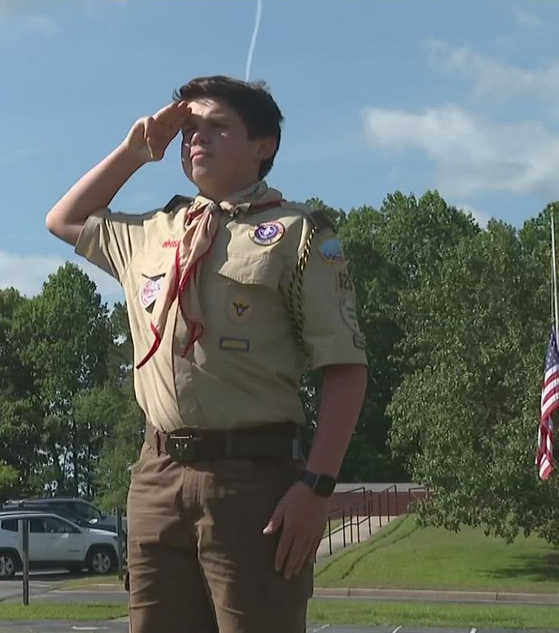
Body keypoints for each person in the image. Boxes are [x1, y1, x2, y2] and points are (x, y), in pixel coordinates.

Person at [44, 75, 369, 633]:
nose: (197, 139)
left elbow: (345, 368)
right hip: (156, 475)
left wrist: (316, 487)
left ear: (263, 144)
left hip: (254, 481)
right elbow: (64, 219)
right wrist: (133, 152)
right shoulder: (152, 232)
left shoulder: (298, 233)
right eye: (190, 129)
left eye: (217, 127)